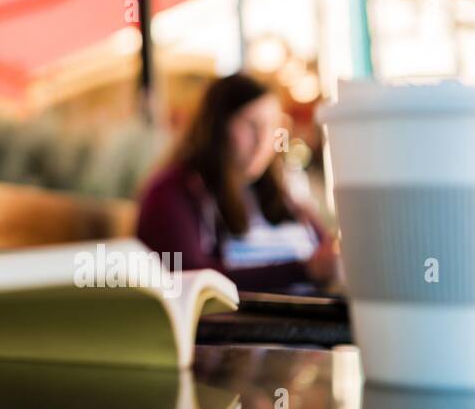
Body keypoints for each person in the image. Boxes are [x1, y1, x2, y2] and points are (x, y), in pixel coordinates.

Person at [135, 74, 339, 292]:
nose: (262, 139)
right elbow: (188, 278)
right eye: (252, 125)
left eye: (272, 127)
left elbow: (325, 252)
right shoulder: (171, 192)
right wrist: (302, 270)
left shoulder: (281, 191)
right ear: (216, 128)